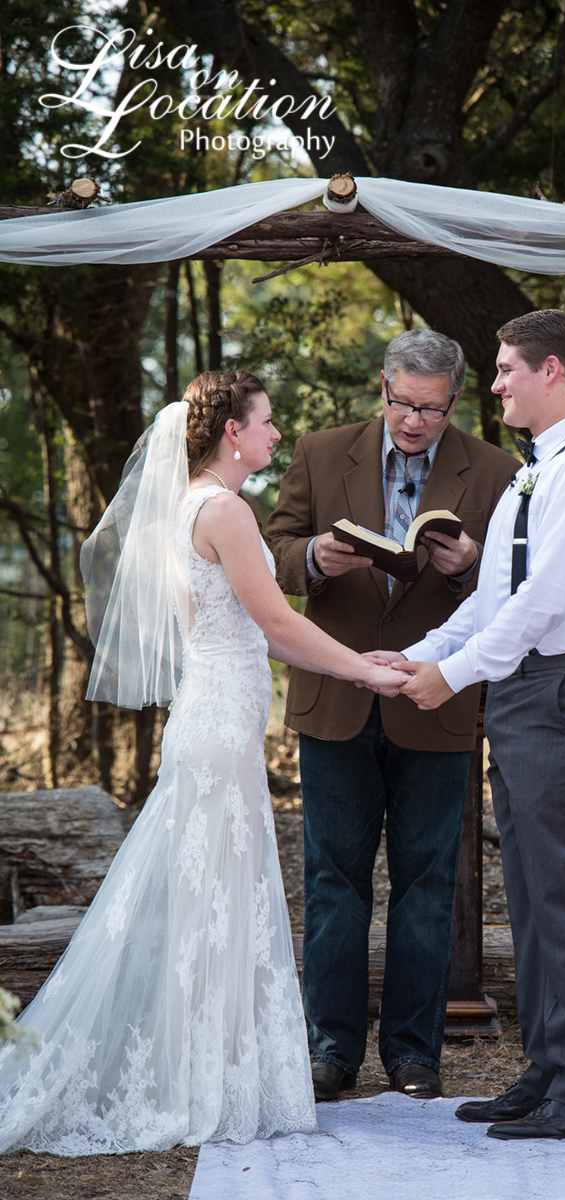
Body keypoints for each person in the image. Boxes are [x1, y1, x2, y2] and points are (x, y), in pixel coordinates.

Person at [0, 371, 401, 1155]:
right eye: (266, 421)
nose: (277, 433)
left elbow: (263, 634)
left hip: (213, 718)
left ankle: (206, 1071)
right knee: (215, 899)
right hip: (217, 726)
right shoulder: (223, 509)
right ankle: (204, 1081)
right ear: (232, 433)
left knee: (211, 900)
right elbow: (276, 621)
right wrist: (365, 670)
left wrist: (358, 667)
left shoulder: (187, 504)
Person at [376, 311, 565, 1140]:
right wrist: (413, 656)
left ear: (551, 370)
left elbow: (543, 604)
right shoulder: (536, 472)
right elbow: (493, 601)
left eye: (503, 370)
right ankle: (551, 1069)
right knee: (528, 894)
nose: (493, 386)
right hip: (527, 690)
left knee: (562, 895)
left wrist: (453, 677)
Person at [266, 329, 518, 1102]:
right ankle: (330, 1050)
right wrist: (315, 557)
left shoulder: (497, 470)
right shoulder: (319, 452)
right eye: (404, 404)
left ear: (456, 402)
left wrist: (471, 565)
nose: (415, 422)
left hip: (436, 704)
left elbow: (519, 589)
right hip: (336, 701)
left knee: (428, 885)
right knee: (332, 879)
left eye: (432, 410)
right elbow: (271, 553)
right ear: (383, 387)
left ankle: (414, 1054)